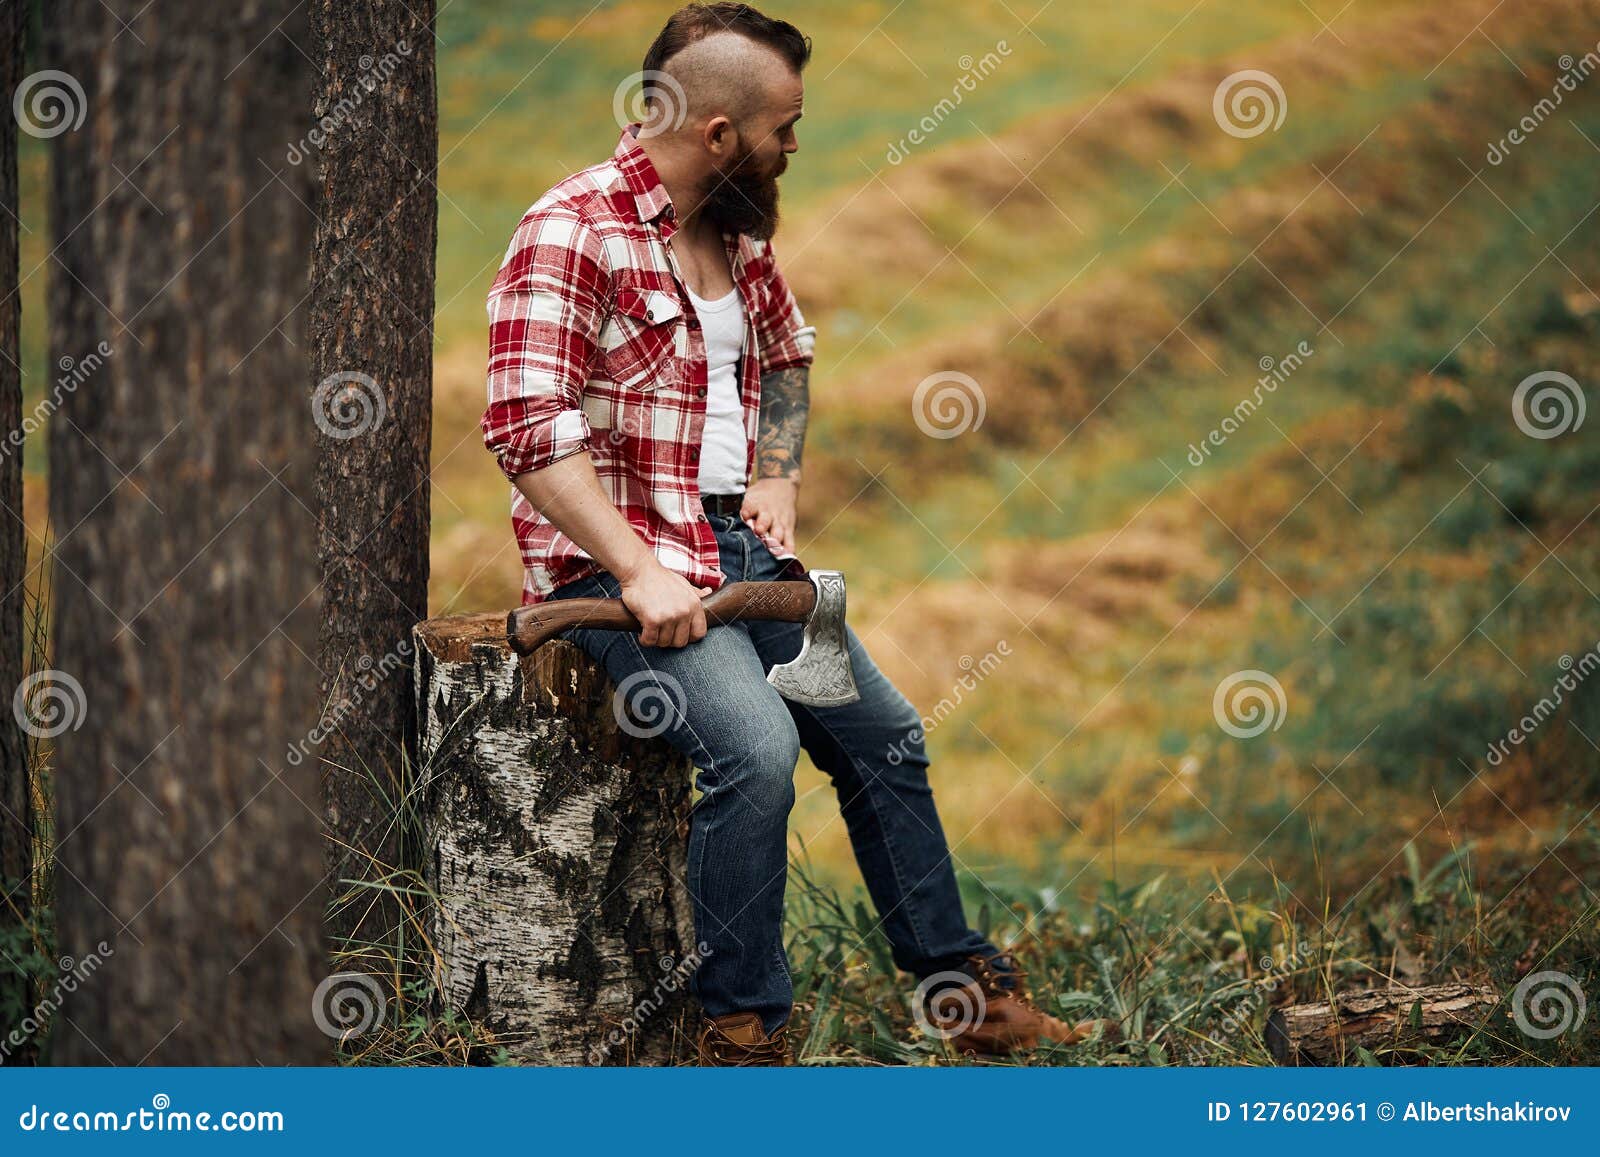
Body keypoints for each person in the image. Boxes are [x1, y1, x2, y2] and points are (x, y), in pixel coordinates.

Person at [483, 1, 1098, 1065]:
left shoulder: (728, 228)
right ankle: (744, 1027)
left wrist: (777, 472)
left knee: (884, 738)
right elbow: (524, 428)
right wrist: (637, 571)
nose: (795, 147)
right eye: (786, 127)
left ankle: (967, 993)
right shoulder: (571, 228)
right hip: (620, 568)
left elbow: (787, 351)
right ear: (720, 133)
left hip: (749, 564)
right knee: (757, 753)